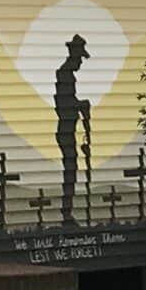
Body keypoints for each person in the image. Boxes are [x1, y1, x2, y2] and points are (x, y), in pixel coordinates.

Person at [54, 35, 91, 225]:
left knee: (72, 167)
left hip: (69, 127)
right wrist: (81, 105)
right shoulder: (64, 74)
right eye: (79, 58)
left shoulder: (68, 75)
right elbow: (62, 102)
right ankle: (66, 211)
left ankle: (66, 210)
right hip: (65, 128)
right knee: (71, 167)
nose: (80, 63)